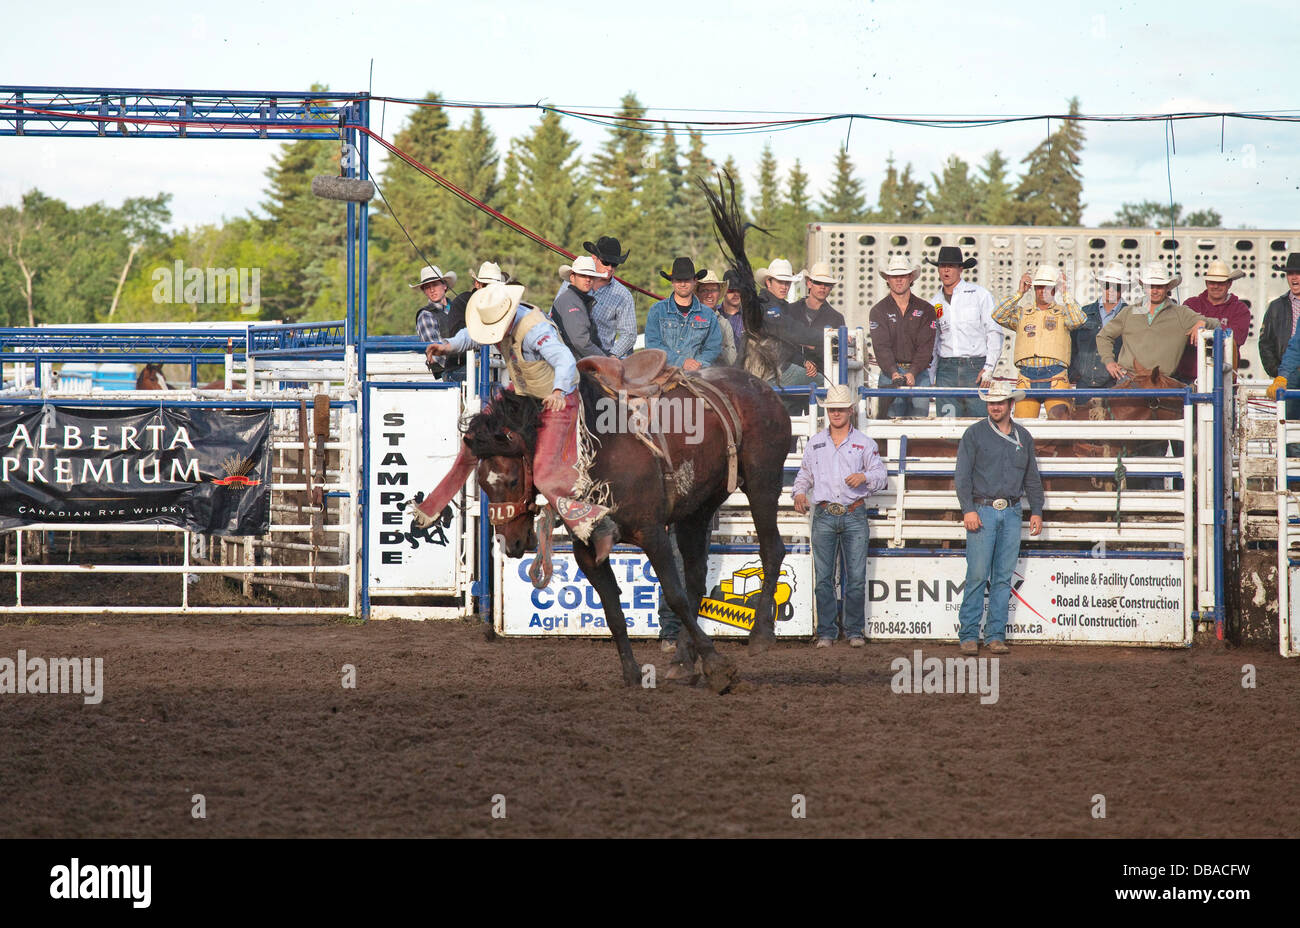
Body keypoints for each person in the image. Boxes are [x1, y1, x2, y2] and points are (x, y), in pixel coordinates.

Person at [416, 282, 617, 561]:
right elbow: (470, 336)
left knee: (545, 474)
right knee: (474, 438)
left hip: (558, 395)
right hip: (524, 392)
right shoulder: (501, 322)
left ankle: (599, 524)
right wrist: (448, 346)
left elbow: (565, 361)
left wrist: (558, 391)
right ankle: (433, 505)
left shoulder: (536, 330)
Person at [792, 383, 889, 648]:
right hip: (825, 512)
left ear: (850, 411)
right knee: (824, 578)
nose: (835, 413)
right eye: (832, 409)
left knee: (855, 577)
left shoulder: (864, 444)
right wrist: (799, 493)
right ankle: (827, 631)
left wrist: (864, 476)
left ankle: (853, 630)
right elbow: (804, 476)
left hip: (853, 512)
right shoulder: (816, 443)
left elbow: (881, 477)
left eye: (840, 409)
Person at [953, 381, 1044, 655]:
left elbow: (1032, 478)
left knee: (1003, 577)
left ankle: (995, 635)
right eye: (991, 402)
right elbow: (962, 476)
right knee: (978, 574)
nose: (995, 406)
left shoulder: (1023, 437)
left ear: (1010, 405)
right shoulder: (974, 434)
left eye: (1000, 402)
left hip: (1013, 510)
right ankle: (969, 634)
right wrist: (967, 508)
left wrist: (1036, 510)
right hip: (982, 510)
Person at [992, 266, 1086, 420]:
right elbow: (997, 315)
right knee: (1023, 425)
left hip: (1056, 375)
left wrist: (1066, 293)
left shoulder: (1063, 312)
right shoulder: (1023, 313)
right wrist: (1019, 293)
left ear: (1055, 289)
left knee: (1060, 424)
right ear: (1034, 289)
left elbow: (1079, 320)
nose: (1043, 291)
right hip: (1026, 375)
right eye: (1039, 287)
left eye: (1048, 288)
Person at [1095, 263, 1218, 381]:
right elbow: (1104, 336)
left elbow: (1217, 324)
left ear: (1167, 288)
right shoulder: (1129, 312)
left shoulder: (1181, 313)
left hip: (1163, 381)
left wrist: (1202, 323)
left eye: (1159, 286)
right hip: (1129, 378)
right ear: (1145, 288)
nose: (1154, 291)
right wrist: (1109, 361)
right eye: (1150, 286)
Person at [927, 246, 1003, 418]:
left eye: (951, 266)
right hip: (946, 369)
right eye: (942, 266)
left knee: (978, 424)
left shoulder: (979, 294)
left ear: (960, 269)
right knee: (947, 426)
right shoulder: (935, 302)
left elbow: (994, 331)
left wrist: (989, 367)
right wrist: (931, 376)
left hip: (975, 366)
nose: (946, 270)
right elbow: (934, 342)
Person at [869, 255, 937, 417]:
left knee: (919, 427)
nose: (898, 280)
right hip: (889, 375)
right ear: (888, 279)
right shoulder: (879, 311)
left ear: (910, 278)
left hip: (919, 374)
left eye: (903, 276)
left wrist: (912, 372)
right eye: (894, 276)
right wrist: (893, 372)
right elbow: (881, 346)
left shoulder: (926, 309)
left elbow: (926, 346)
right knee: (889, 426)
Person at [1176, 259, 1250, 381]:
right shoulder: (1191, 304)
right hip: (1188, 377)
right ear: (1206, 283)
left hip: (1223, 378)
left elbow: (1237, 338)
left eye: (1220, 283)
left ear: (1229, 284)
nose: (1215, 286)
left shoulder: (1240, 309)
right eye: (1212, 282)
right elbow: (1182, 334)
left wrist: (1203, 326)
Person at [644, 257, 721, 370]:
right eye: (679, 280)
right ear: (672, 282)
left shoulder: (708, 315)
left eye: (687, 279)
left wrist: (698, 363)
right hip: (662, 372)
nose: (683, 284)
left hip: (698, 374)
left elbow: (713, 348)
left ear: (695, 281)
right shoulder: (657, 310)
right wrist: (681, 362)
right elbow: (652, 344)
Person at [431, 261, 503, 382]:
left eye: (495, 287)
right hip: (460, 367)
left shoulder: (500, 305)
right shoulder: (462, 302)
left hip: (487, 363)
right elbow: (459, 334)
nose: (491, 291)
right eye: (488, 285)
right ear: (477, 284)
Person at [1070, 262, 1128, 391]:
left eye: (1116, 287)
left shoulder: (1130, 315)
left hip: (1115, 383)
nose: (1111, 290)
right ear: (1101, 286)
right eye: (1107, 285)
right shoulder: (1084, 313)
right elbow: (1072, 345)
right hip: (1084, 383)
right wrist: (1074, 373)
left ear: (1123, 289)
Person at [790, 262, 847, 379]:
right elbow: (783, 344)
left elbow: (837, 352)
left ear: (831, 287)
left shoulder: (837, 318)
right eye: (818, 282)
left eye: (827, 284)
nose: (823, 287)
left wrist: (811, 350)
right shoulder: (790, 310)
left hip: (822, 376)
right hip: (791, 373)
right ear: (809, 283)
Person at [584, 236, 638, 358]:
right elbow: (554, 315)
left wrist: (612, 356)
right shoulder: (571, 283)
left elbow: (629, 334)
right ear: (594, 258)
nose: (609, 268)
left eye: (614, 264)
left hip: (602, 356)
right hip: (569, 352)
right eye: (606, 262)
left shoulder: (623, 295)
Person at [1262, 253, 1300, 421]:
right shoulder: (1276, 306)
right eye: (1290, 273)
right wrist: (1279, 373)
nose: (1294, 278)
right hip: (1288, 373)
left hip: (1288, 371)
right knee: (1289, 425)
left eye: (1298, 273)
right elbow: (1265, 343)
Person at [550, 256, 610, 360]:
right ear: (572, 278)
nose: (588, 279)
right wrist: (606, 359)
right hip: (572, 363)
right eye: (583, 275)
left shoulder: (575, 299)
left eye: (591, 276)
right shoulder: (570, 301)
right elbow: (581, 342)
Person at [413, 265, 462, 372]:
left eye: (435, 284)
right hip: (448, 371)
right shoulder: (425, 315)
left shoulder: (458, 309)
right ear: (424, 291)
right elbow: (436, 355)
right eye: (427, 287)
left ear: (444, 286)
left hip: (464, 366)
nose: (431, 290)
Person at [696, 269, 736, 365]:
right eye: (705, 290)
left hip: (717, 374)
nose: (709, 295)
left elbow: (731, 359)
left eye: (714, 290)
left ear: (719, 294)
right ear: (697, 294)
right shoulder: (688, 318)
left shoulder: (724, 324)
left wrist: (715, 344)